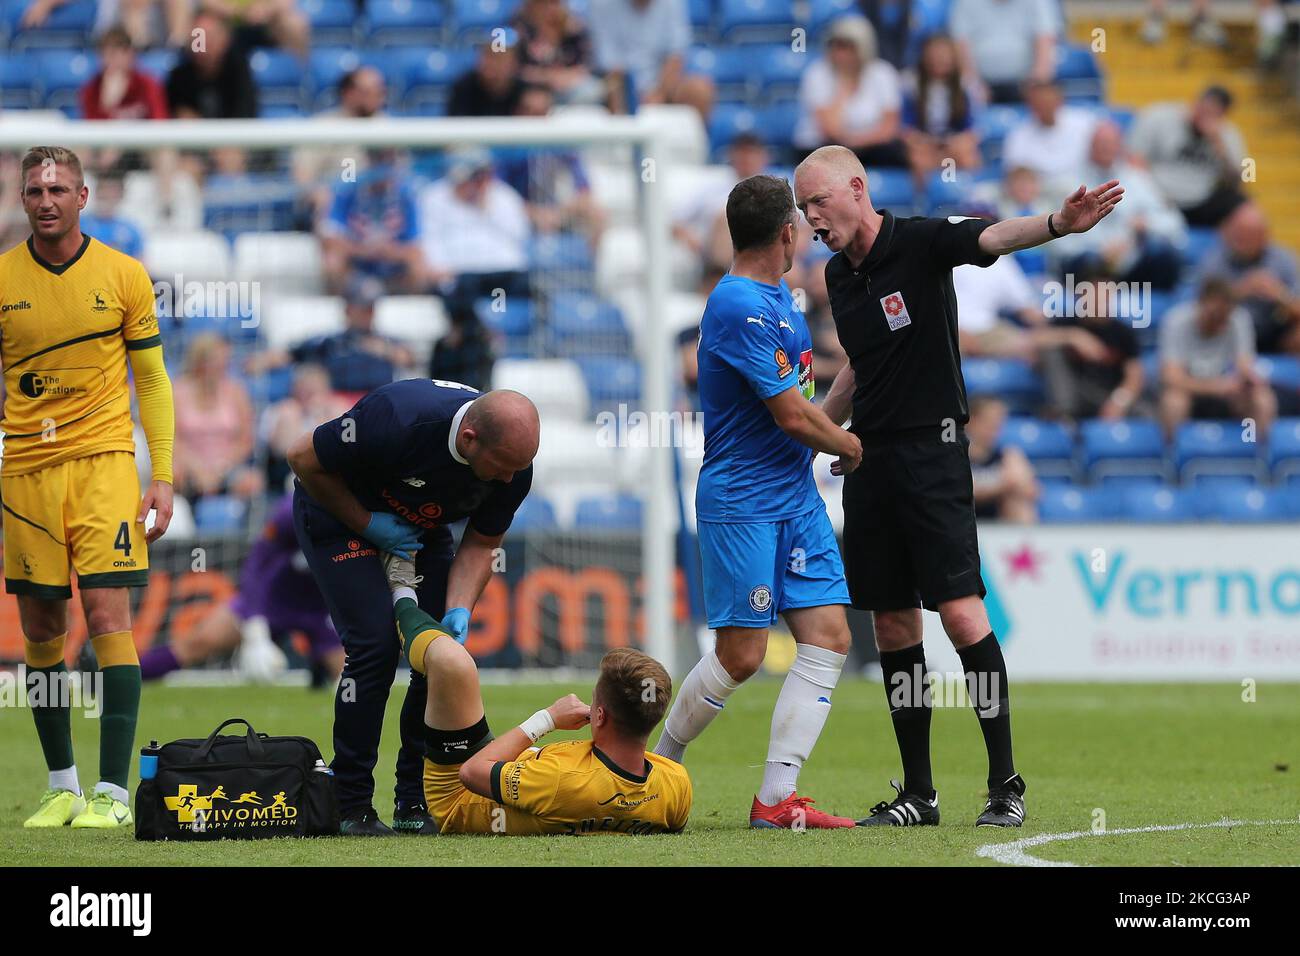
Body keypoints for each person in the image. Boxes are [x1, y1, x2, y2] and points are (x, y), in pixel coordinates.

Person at [794, 144, 1122, 827]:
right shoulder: (837, 277)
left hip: (934, 451)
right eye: (802, 210)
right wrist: (816, 430)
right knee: (890, 625)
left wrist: (1059, 224)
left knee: (963, 614)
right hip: (867, 460)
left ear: (856, 189)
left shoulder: (919, 241)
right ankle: (920, 792)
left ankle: (1005, 784)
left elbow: (995, 235)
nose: (810, 219)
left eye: (817, 202)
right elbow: (858, 367)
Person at [650, 174, 864, 829]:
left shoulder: (777, 297)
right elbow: (790, 416)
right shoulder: (739, 304)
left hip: (793, 495)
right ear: (786, 234)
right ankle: (655, 767)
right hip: (743, 499)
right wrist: (851, 449)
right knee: (741, 655)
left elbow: (802, 407)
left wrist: (840, 414)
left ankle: (776, 800)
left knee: (827, 637)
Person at [4, 146, 175, 831]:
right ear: (23, 199)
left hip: (105, 463)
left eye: (58, 188)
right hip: (25, 473)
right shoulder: (2, 278)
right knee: (43, 630)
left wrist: (161, 473)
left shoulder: (124, 275)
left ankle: (112, 792)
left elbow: (154, 381)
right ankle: (62, 787)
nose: (46, 200)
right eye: (35, 189)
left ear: (84, 196)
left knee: (108, 619)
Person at [287, 383, 539, 835]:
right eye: (501, 469)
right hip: (338, 513)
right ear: (469, 440)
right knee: (375, 646)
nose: (508, 480)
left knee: (436, 653)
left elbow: (482, 544)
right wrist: (368, 524)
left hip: (421, 523)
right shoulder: (397, 419)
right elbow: (302, 459)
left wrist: (459, 608)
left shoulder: (513, 466)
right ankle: (351, 805)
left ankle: (413, 799)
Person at [383, 560, 691, 834]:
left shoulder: (560, 780)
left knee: (453, 663)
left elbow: (471, 772)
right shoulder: (674, 786)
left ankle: (401, 590)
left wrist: (548, 718)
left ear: (599, 716)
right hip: (514, 769)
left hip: (460, 793)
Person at [139, 496, 344, 686]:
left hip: (319, 609)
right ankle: (125, 677)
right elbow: (257, 562)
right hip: (271, 600)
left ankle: (320, 668)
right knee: (199, 642)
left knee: (351, 677)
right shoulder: (294, 509)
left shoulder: (353, 512)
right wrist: (255, 623)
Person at [1048, 120, 1186, 291]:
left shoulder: (1137, 179)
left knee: (1164, 254)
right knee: (1085, 260)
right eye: (1101, 144)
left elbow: (1174, 224)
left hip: (1133, 262)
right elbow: (1057, 235)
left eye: (1111, 144)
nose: (1106, 149)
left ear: (1121, 147)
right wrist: (1101, 250)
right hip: (1089, 262)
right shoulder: (1067, 182)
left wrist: (1147, 225)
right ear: (1090, 146)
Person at [1158, 276, 1274, 438]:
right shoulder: (1176, 320)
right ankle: (1172, 457)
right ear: (1200, 304)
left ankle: (1258, 455)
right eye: (1215, 315)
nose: (1220, 323)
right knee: (1173, 402)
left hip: (1226, 392)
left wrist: (1249, 379)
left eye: (1224, 316)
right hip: (1190, 390)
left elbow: (1244, 364)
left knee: (1262, 398)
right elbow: (1171, 377)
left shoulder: (1238, 318)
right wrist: (1216, 387)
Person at [792, 16, 907, 169]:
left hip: (871, 147)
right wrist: (844, 88)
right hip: (822, 147)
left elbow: (890, 128)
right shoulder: (817, 74)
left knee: (897, 155)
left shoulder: (882, 73)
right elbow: (831, 129)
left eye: (848, 47)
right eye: (836, 46)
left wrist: (857, 142)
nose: (841, 54)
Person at [1128, 85, 1247, 229]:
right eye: (1204, 110)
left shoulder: (1228, 134)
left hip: (1201, 201)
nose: (1205, 118)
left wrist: (1219, 147)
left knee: (1245, 207)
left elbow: (1243, 178)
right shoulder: (1159, 117)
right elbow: (1134, 161)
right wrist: (1153, 196)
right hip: (1158, 199)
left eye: (1213, 114)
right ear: (1195, 103)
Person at [1194, 202, 1300, 355]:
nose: (1242, 240)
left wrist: (1279, 294)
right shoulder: (1213, 261)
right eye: (1239, 233)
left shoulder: (1283, 259)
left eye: (1250, 235)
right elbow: (1198, 311)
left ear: (1264, 236)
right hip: (1226, 330)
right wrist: (1239, 291)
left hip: (1273, 330)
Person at [172, 333, 262, 504]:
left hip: (227, 466)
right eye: (214, 362)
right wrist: (197, 468)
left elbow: (246, 440)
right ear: (199, 363)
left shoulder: (236, 391)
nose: (221, 367)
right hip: (188, 466)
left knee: (251, 482)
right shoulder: (177, 392)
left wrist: (222, 466)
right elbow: (172, 440)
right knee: (173, 477)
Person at [589, 0, 713, 119]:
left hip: (662, 87)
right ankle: (621, 136)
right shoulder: (602, 4)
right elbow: (610, 64)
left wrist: (659, 94)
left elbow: (676, 56)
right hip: (619, 87)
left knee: (700, 90)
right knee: (613, 87)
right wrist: (633, 96)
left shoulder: (671, 2)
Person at [901, 33, 983, 190]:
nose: (939, 60)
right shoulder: (911, 84)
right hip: (924, 143)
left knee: (968, 157)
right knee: (919, 159)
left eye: (944, 55)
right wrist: (922, 142)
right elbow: (904, 127)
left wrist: (957, 143)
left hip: (955, 143)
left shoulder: (966, 85)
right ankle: (923, 204)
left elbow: (974, 128)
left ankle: (965, 199)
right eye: (934, 55)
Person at [948, 0, 1059, 104]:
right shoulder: (965, 2)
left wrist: (1036, 84)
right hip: (980, 85)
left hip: (1026, 84)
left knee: (1045, 95)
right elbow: (959, 46)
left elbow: (1045, 46)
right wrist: (973, 85)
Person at [1000, 78, 1097, 184]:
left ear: (1059, 100)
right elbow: (1016, 176)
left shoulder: (1086, 123)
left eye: (1048, 101)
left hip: (1084, 188)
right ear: (1030, 105)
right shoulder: (1018, 136)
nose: (1044, 106)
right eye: (1039, 103)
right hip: (1043, 195)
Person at [966, 397, 1039, 522]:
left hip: (998, 514)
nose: (994, 428)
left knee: (1019, 504)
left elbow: (1033, 491)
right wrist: (1004, 484)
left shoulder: (1008, 455)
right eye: (988, 421)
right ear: (972, 421)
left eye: (998, 422)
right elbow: (961, 491)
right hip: (963, 515)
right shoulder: (957, 457)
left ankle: (1022, 540)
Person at [80, 25, 170, 121]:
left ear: (130, 54)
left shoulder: (148, 85)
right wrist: (108, 104)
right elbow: (91, 131)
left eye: (113, 55)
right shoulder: (91, 89)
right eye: (104, 55)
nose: (109, 62)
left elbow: (160, 122)